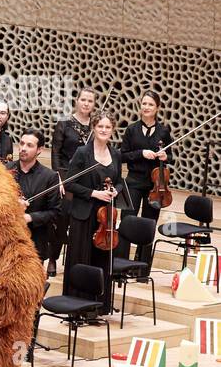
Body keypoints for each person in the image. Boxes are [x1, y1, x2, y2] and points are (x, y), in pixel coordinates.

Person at [62, 110, 122, 314]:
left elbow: (120, 182)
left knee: (100, 260)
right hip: (84, 215)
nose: (104, 130)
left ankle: (97, 307)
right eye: (100, 126)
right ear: (94, 128)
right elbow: (70, 183)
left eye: (108, 127)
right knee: (81, 258)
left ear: (112, 130)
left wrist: (115, 190)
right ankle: (76, 306)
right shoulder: (82, 153)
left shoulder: (115, 154)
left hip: (105, 217)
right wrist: (94, 193)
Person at [48, 86, 96, 276]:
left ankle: (76, 263)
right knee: (62, 219)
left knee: (81, 221)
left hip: (86, 179)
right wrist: (58, 178)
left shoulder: (95, 126)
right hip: (65, 176)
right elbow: (55, 153)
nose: (86, 104)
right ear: (77, 100)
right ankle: (53, 259)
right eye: (83, 99)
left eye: (90, 101)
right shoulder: (64, 124)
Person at [119, 89, 171, 264]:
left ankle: (142, 267)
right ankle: (120, 263)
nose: (146, 107)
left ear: (157, 108)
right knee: (127, 221)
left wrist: (165, 157)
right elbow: (122, 155)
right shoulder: (131, 130)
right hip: (133, 181)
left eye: (151, 104)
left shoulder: (163, 131)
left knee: (149, 224)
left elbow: (170, 157)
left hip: (155, 186)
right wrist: (141, 153)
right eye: (144, 103)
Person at [7, 129, 61, 263]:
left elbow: (55, 212)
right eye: (22, 143)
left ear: (39, 150)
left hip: (34, 241)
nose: (23, 148)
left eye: (29, 145)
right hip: (5, 238)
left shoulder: (49, 177)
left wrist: (29, 217)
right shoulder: (5, 170)